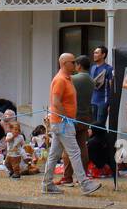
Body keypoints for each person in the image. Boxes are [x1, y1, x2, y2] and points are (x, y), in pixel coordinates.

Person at [42, 53, 100, 196]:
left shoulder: (67, 79)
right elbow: (56, 102)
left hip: (61, 122)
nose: (75, 64)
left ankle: (47, 184)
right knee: (74, 152)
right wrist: (67, 118)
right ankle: (85, 184)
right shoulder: (60, 80)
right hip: (62, 122)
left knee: (54, 155)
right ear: (64, 63)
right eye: (72, 62)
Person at [60, 55, 94, 185]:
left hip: (72, 116)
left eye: (75, 64)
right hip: (85, 117)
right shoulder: (91, 81)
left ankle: (67, 177)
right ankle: (83, 176)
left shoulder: (72, 79)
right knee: (82, 147)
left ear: (78, 66)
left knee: (68, 147)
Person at [89, 46, 113, 128]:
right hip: (93, 101)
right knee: (92, 126)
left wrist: (111, 104)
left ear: (103, 55)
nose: (94, 55)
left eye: (96, 53)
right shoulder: (92, 68)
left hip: (103, 102)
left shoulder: (109, 69)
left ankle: (103, 141)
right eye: (94, 53)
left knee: (100, 126)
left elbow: (112, 87)